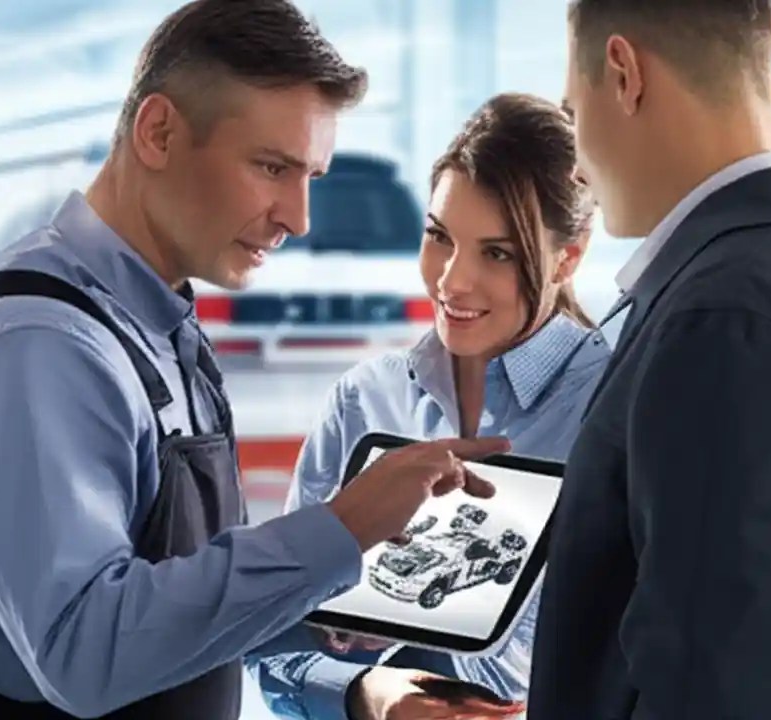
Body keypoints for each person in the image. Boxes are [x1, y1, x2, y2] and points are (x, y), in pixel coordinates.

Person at [0, 2, 512, 719]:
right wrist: (339, 529)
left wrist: (331, 616)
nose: (298, 218)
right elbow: (84, 651)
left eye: (310, 176)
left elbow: (174, 604)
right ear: (158, 132)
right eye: (272, 167)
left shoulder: (159, 328)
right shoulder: (33, 341)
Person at [249, 93, 610, 720]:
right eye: (439, 237)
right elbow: (273, 642)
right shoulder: (366, 401)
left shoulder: (616, 409)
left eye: (497, 253)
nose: (451, 281)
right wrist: (367, 695)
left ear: (568, 257)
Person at [529, 1, 771, 718]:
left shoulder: (726, 314)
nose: (576, 168)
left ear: (624, 73)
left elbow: (722, 687)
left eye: (573, 115)